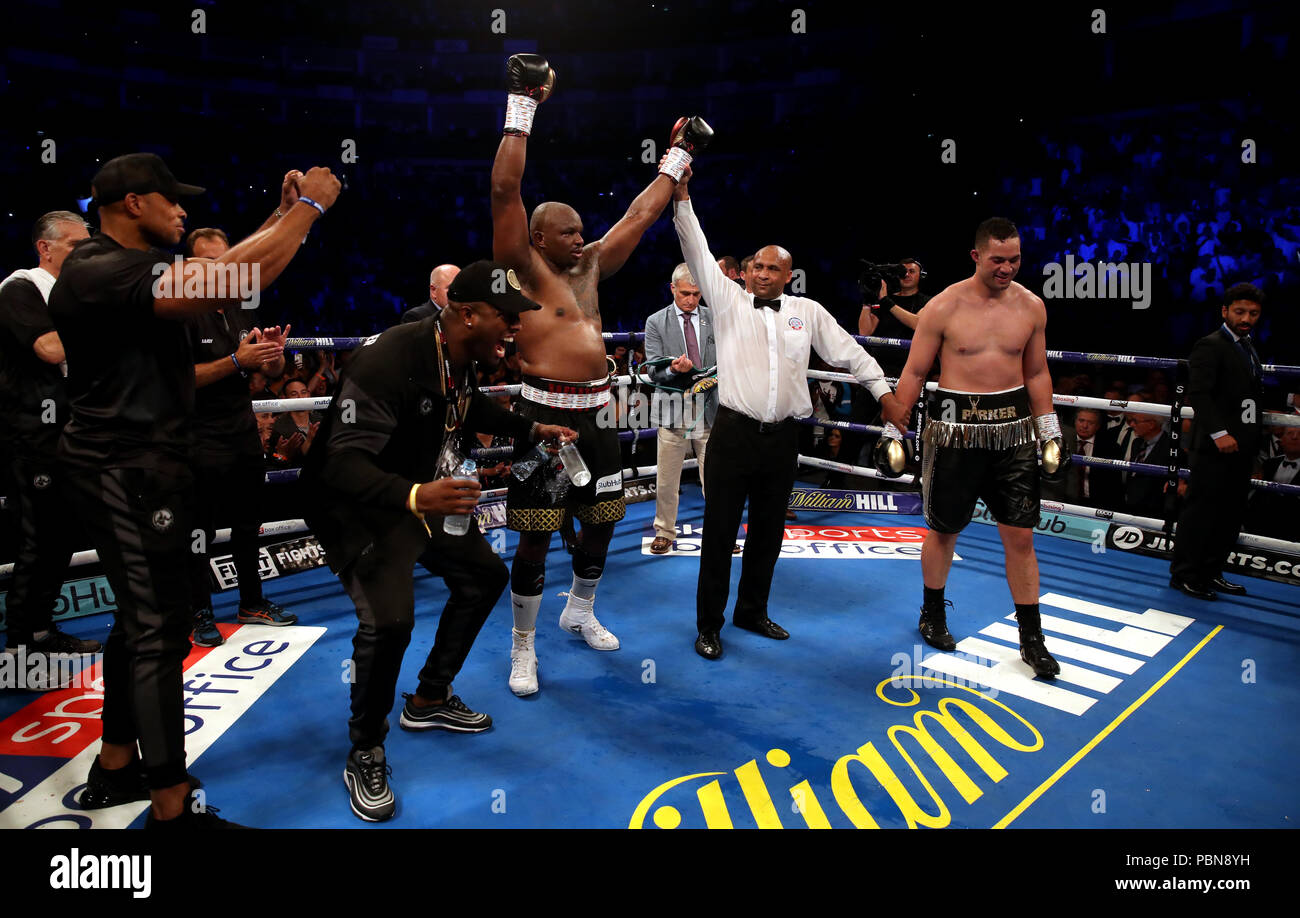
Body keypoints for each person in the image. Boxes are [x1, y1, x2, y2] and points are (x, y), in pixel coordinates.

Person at [50, 152, 339, 827]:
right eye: (170, 199)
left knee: (144, 622)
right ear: (132, 205)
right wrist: (310, 209)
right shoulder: (100, 267)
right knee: (157, 632)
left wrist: (279, 214)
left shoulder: (129, 270)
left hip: (145, 464)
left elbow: (230, 277)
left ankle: (116, 765)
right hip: (118, 467)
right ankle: (172, 811)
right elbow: (232, 279)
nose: (183, 209)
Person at [300, 261, 573, 822]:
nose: (515, 329)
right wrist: (419, 496)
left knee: (484, 576)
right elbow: (340, 464)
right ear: (467, 313)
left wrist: (529, 428)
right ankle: (365, 749)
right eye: (506, 318)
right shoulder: (390, 360)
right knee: (390, 622)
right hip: (357, 506)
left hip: (415, 491)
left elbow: (466, 406)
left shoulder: (459, 354)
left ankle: (428, 699)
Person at [489, 52, 709, 695]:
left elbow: (641, 215)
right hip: (545, 417)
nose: (582, 239)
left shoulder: (588, 268)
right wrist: (523, 105)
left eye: (584, 230)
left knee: (605, 517)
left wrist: (678, 156)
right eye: (569, 232)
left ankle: (579, 608)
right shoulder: (522, 269)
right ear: (537, 237)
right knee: (533, 539)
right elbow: (505, 191)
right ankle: (522, 645)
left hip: (598, 411)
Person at [672, 166, 903, 661]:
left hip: (782, 440)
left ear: (787, 275)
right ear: (746, 271)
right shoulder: (729, 300)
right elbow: (694, 246)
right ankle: (709, 625)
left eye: (771, 268)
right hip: (733, 435)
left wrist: (884, 394)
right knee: (718, 533)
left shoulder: (809, 312)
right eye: (755, 265)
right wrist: (684, 195)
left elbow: (851, 353)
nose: (760, 273)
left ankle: (751, 611)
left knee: (770, 532)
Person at [889, 217, 1065, 679]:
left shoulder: (1031, 307)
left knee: (1021, 536)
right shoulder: (944, 307)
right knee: (945, 531)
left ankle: (1032, 639)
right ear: (976, 256)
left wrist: (1050, 429)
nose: (1007, 268)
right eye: (998, 260)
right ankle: (933, 613)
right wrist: (894, 429)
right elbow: (913, 373)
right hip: (955, 435)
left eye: (1015, 260)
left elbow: (1037, 373)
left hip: (1013, 435)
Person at [183, 215, 300, 650]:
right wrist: (236, 360)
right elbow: (181, 378)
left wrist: (270, 355)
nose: (217, 268)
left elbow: (263, 371)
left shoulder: (237, 307)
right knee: (199, 531)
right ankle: (198, 612)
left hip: (239, 430)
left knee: (249, 524)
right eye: (207, 262)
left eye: (224, 260)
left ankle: (252, 603)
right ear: (189, 267)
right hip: (195, 437)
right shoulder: (181, 316)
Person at [0, 210, 100, 684]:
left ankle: (41, 633)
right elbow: (51, 350)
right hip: (35, 437)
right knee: (38, 544)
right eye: (76, 246)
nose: (85, 254)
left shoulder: (69, 294)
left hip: (71, 432)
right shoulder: (19, 288)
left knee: (61, 539)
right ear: (46, 247)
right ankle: (17, 656)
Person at [1169, 283, 1267, 600]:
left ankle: (1211, 571)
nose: (1246, 318)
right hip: (1215, 447)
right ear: (1225, 312)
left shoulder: (1248, 346)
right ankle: (1185, 574)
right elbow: (1199, 394)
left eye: (1252, 313)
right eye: (1240, 311)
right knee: (1202, 512)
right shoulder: (1210, 345)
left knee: (1229, 515)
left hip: (1242, 447)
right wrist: (1219, 433)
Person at [643, 263, 719, 554]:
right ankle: (664, 531)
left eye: (697, 294)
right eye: (685, 293)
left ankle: (719, 530)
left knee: (714, 477)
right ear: (672, 288)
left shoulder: (714, 318)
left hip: (710, 407)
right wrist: (674, 369)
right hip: (674, 407)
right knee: (667, 478)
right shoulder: (656, 322)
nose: (691, 300)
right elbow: (653, 370)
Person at [1247, 424, 1299, 540]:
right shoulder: (1269, 463)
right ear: (1281, 440)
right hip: (1261, 527)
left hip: (1294, 530)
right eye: (1290, 433)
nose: (1295, 437)